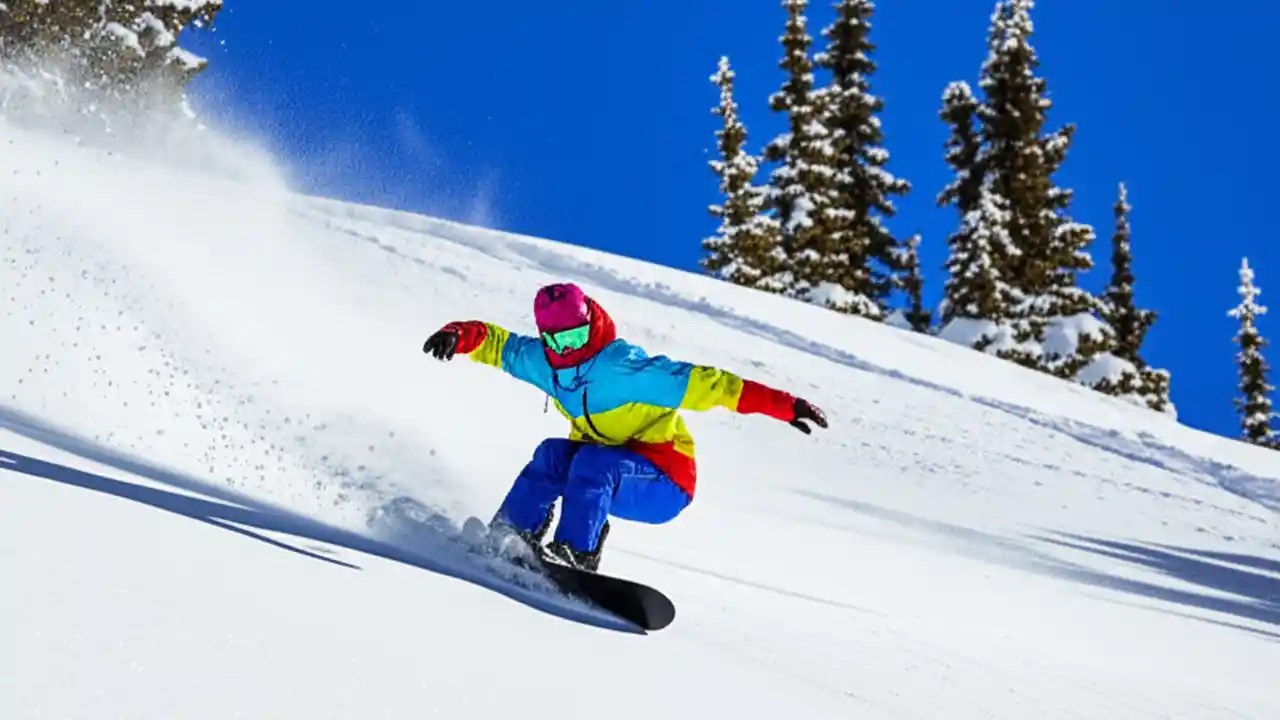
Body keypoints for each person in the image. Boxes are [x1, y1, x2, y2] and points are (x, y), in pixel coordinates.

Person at [422, 282, 827, 571]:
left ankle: (576, 555)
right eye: (558, 343)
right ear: (546, 341)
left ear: (591, 325)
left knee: (594, 464)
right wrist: (457, 335)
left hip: (664, 480)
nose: (570, 350)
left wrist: (785, 406)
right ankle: (510, 534)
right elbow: (497, 344)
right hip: (598, 470)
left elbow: (711, 385)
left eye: (577, 337)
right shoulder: (546, 363)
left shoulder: (622, 368)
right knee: (552, 454)